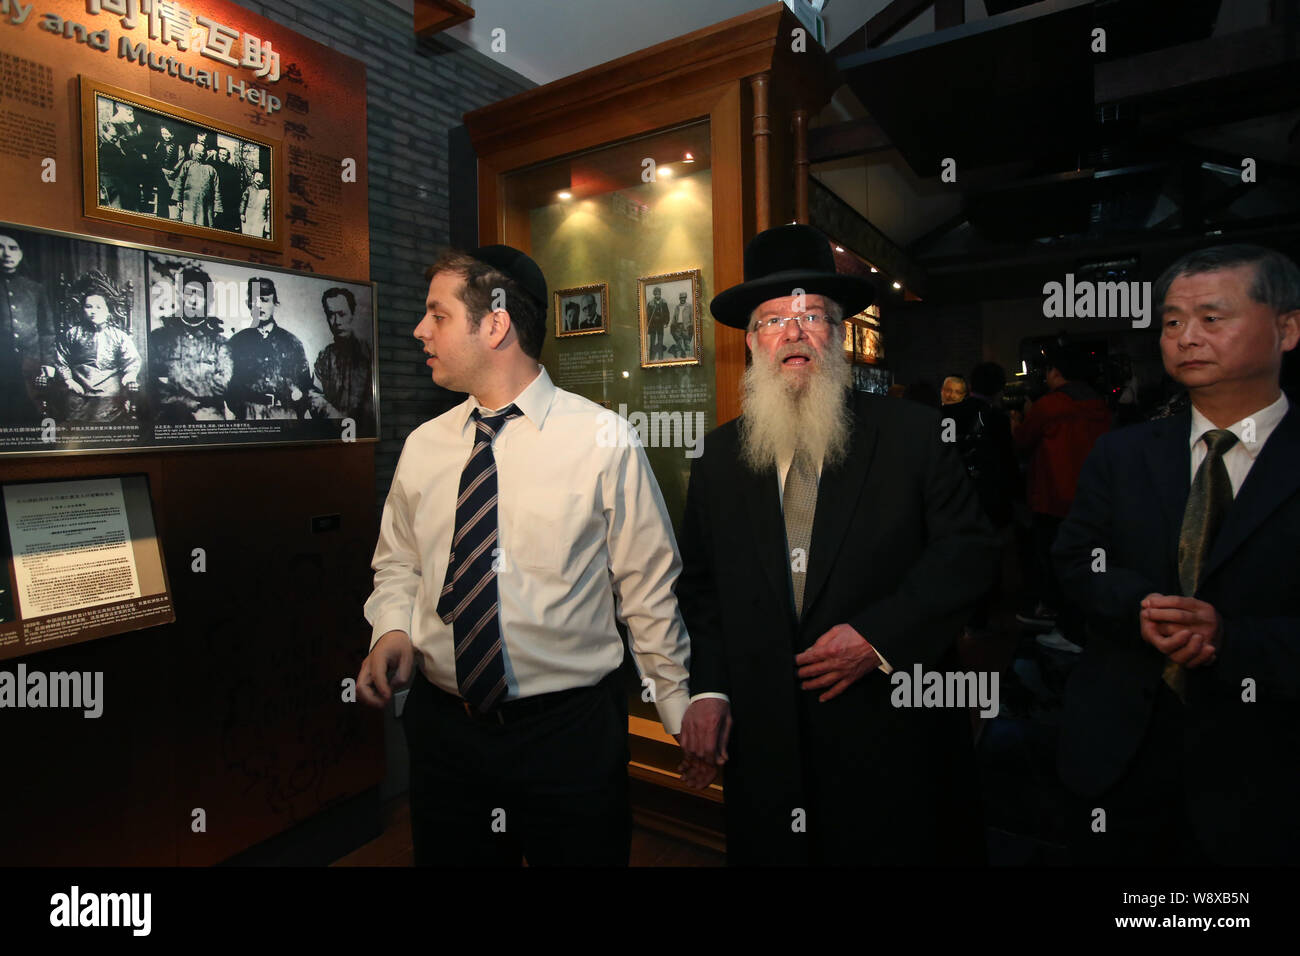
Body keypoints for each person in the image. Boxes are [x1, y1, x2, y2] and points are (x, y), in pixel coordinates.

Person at [356, 245, 691, 866]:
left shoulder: (603, 441)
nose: (419, 331)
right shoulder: (425, 447)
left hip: (568, 738)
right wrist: (392, 629)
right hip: (444, 734)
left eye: (438, 315)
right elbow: (398, 561)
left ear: (496, 323)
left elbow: (646, 589)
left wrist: (676, 706)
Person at [675, 224, 998, 865]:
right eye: (773, 321)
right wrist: (708, 691)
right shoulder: (716, 457)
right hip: (767, 744)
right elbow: (702, 590)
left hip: (890, 736)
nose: (793, 333)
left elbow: (968, 555)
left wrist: (877, 638)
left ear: (838, 333)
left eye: (811, 316)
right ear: (751, 342)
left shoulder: (915, 435)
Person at [1053, 243, 1300, 865]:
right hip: (1123, 748)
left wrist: (1229, 638)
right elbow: (1076, 560)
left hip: (1265, 757)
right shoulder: (1123, 453)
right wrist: (1139, 605)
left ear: (1287, 328)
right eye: (1171, 323)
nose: (1187, 337)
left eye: (1212, 319)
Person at [1013, 343, 1110, 650]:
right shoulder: (1100, 403)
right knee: (1089, 565)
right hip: (1095, 499)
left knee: (1055, 563)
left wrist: (1017, 421)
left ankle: (1067, 628)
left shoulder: (1051, 404)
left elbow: (1023, 441)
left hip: (1053, 498)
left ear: (1056, 372)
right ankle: (1085, 627)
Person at [54, 272, 142, 422]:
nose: (93, 311)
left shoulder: (119, 336)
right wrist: (69, 381)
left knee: (102, 417)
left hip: (109, 391)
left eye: (99, 307)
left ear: (108, 312)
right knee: (73, 417)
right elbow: (60, 358)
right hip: (78, 388)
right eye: (88, 307)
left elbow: (131, 361)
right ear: (82, 310)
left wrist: (129, 375)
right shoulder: (72, 334)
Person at [149, 267, 232, 423]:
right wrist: (180, 400)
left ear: (208, 300)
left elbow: (225, 385)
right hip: (170, 418)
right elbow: (151, 380)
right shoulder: (159, 338)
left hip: (210, 417)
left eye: (200, 295)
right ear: (179, 296)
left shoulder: (221, 344)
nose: (193, 300)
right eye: (188, 293)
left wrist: (184, 389)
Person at [226, 277, 313, 419]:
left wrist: (290, 410)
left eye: (265, 300)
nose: (259, 306)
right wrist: (245, 408)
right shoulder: (236, 343)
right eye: (254, 301)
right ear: (248, 304)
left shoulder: (292, 343)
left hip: (284, 416)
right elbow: (228, 389)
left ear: (275, 304)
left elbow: (305, 386)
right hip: (249, 416)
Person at [0, 231, 55, 423]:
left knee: (30, 416)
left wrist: (47, 363)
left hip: (31, 367)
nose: (7, 253)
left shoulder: (35, 289)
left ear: (21, 253)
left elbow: (47, 330)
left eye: (13, 248)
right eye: (1, 247)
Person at [307, 287, 372, 425]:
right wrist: (333, 415)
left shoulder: (368, 352)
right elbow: (314, 393)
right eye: (331, 315)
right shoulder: (324, 356)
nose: (336, 322)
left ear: (352, 314)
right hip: (332, 434)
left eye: (342, 314)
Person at [175, 141, 222, 227]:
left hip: (206, 206)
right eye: (197, 152)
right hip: (189, 203)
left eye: (202, 152)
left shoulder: (211, 169)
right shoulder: (187, 165)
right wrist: (178, 200)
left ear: (205, 153)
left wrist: (217, 208)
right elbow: (180, 182)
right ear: (194, 152)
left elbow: (217, 190)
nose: (199, 154)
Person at [213, 147, 245, 232]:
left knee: (227, 224)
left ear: (228, 157)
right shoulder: (213, 166)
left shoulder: (232, 169)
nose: (222, 156)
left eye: (224, 155)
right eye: (221, 154)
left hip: (228, 199)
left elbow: (237, 187)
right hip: (216, 197)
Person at [240, 171, 270, 239]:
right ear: (253, 178)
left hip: (260, 218)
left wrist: (268, 223)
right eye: (257, 176)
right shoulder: (249, 189)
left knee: (257, 236)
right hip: (248, 217)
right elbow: (243, 201)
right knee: (246, 236)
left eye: (261, 177)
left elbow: (269, 209)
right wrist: (242, 213)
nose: (259, 179)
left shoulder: (266, 192)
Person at [645, 286, 669, 360]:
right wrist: (647, 324)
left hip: (660, 325)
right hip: (652, 325)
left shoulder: (664, 302)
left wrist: (666, 322)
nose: (657, 295)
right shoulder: (650, 303)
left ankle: (660, 358)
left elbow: (667, 313)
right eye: (656, 293)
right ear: (654, 294)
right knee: (652, 342)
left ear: (660, 294)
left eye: (659, 293)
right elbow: (647, 315)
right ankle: (651, 359)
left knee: (660, 341)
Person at [669, 290, 693, 358]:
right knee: (678, 342)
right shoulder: (677, 307)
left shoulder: (689, 306)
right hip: (678, 327)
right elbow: (674, 317)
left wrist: (691, 326)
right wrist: (672, 325)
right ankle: (679, 358)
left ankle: (688, 358)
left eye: (684, 297)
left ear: (686, 298)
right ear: (679, 298)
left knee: (687, 342)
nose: (682, 299)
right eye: (681, 298)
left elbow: (692, 316)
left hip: (686, 326)